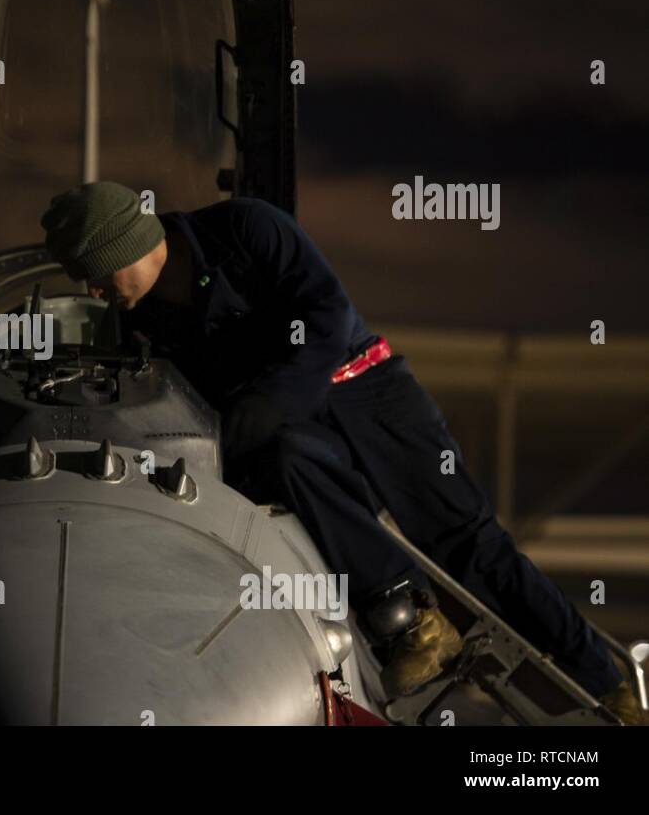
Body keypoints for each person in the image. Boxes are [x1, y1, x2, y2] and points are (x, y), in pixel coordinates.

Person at [40, 181, 645, 725]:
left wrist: (268, 404)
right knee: (286, 462)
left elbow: (327, 318)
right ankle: (412, 623)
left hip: (368, 394)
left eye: (97, 272)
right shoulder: (138, 321)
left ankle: (605, 682)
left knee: (472, 548)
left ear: (131, 245)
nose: (93, 290)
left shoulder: (248, 229)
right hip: (289, 431)